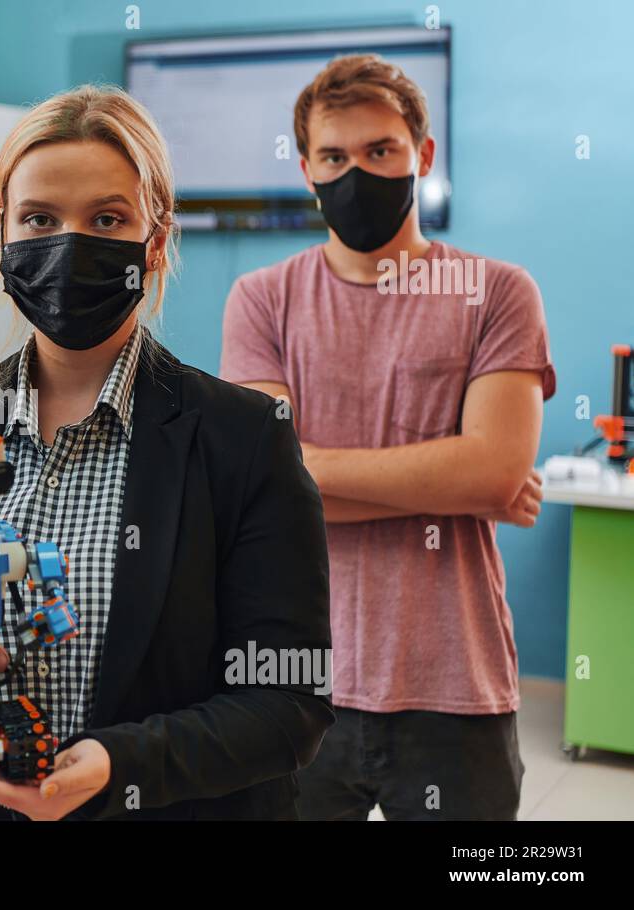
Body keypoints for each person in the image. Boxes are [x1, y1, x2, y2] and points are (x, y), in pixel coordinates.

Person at [0, 85, 333, 821]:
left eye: (107, 218)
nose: (69, 243)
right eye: (38, 218)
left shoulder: (242, 438)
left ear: (154, 241)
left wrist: (119, 765)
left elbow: (288, 702)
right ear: (3, 237)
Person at [221, 55, 555, 820]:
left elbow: (494, 475)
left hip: (455, 684)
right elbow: (255, 495)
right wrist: (458, 486)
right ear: (305, 167)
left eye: (381, 152)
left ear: (423, 157)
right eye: (335, 157)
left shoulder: (498, 292)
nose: (355, 174)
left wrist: (481, 481)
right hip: (295, 681)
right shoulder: (261, 300)